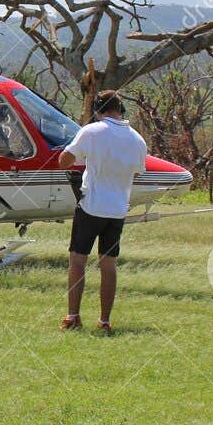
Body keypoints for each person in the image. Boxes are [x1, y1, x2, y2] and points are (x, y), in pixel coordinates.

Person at [56, 89, 147, 333]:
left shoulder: (91, 131)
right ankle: (104, 321)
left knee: (78, 259)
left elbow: (64, 161)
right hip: (117, 210)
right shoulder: (138, 139)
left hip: (91, 206)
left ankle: (73, 316)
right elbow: (137, 172)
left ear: (98, 110)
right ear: (120, 109)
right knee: (108, 265)